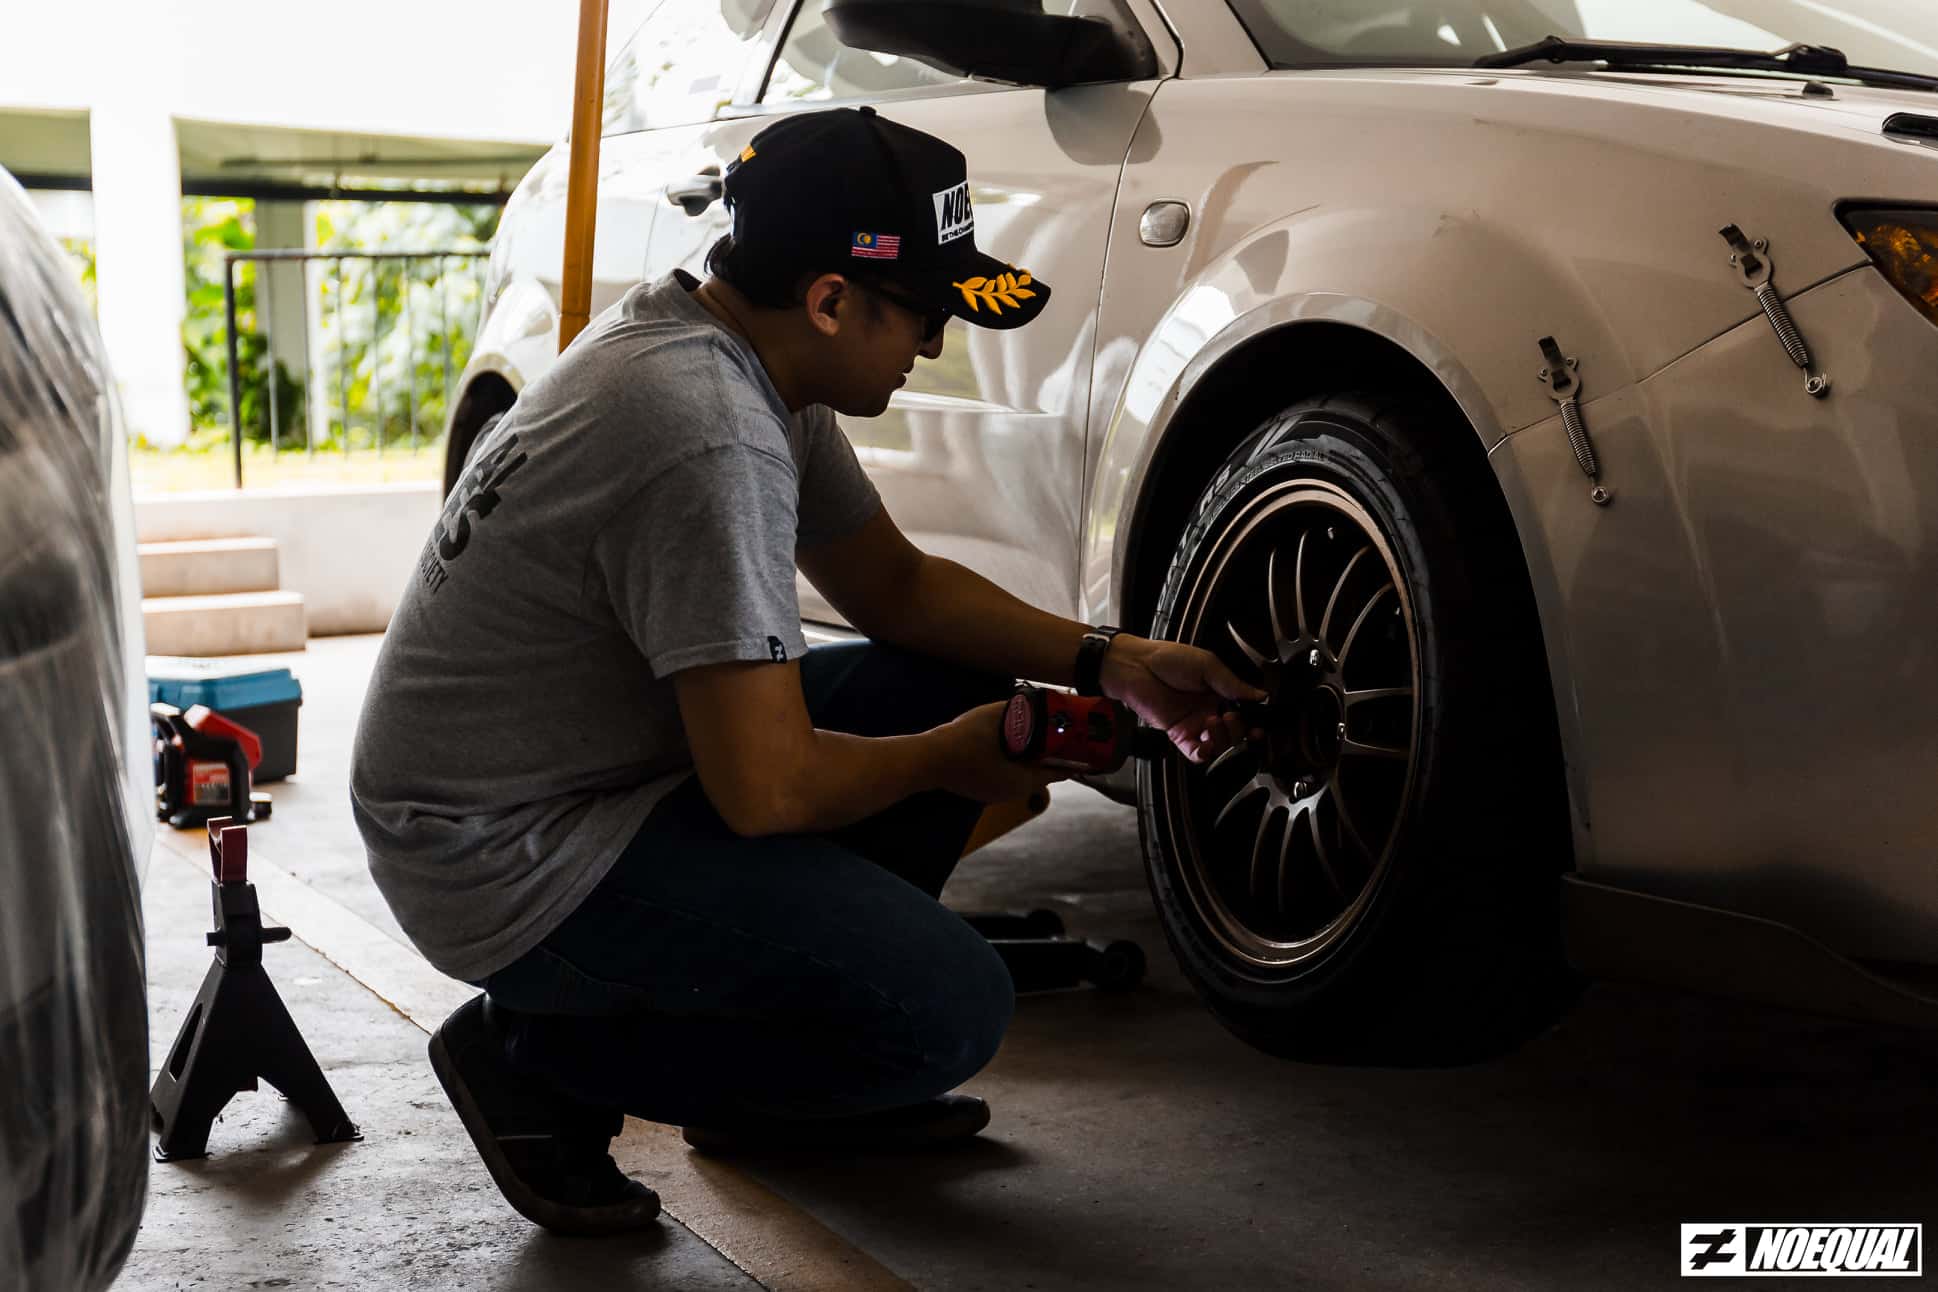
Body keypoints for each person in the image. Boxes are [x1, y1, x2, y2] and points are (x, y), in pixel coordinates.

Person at [349, 106, 1263, 1237]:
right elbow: (767, 788)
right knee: (945, 1011)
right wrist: (956, 757)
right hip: (502, 855)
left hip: (572, 774)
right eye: (921, 315)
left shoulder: (729, 347)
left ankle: (783, 1076)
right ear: (831, 298)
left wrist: (1112, 658)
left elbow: (897, 589)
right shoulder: (707, 432)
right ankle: (539, 1055)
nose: (931, 347)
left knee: (937, 674)